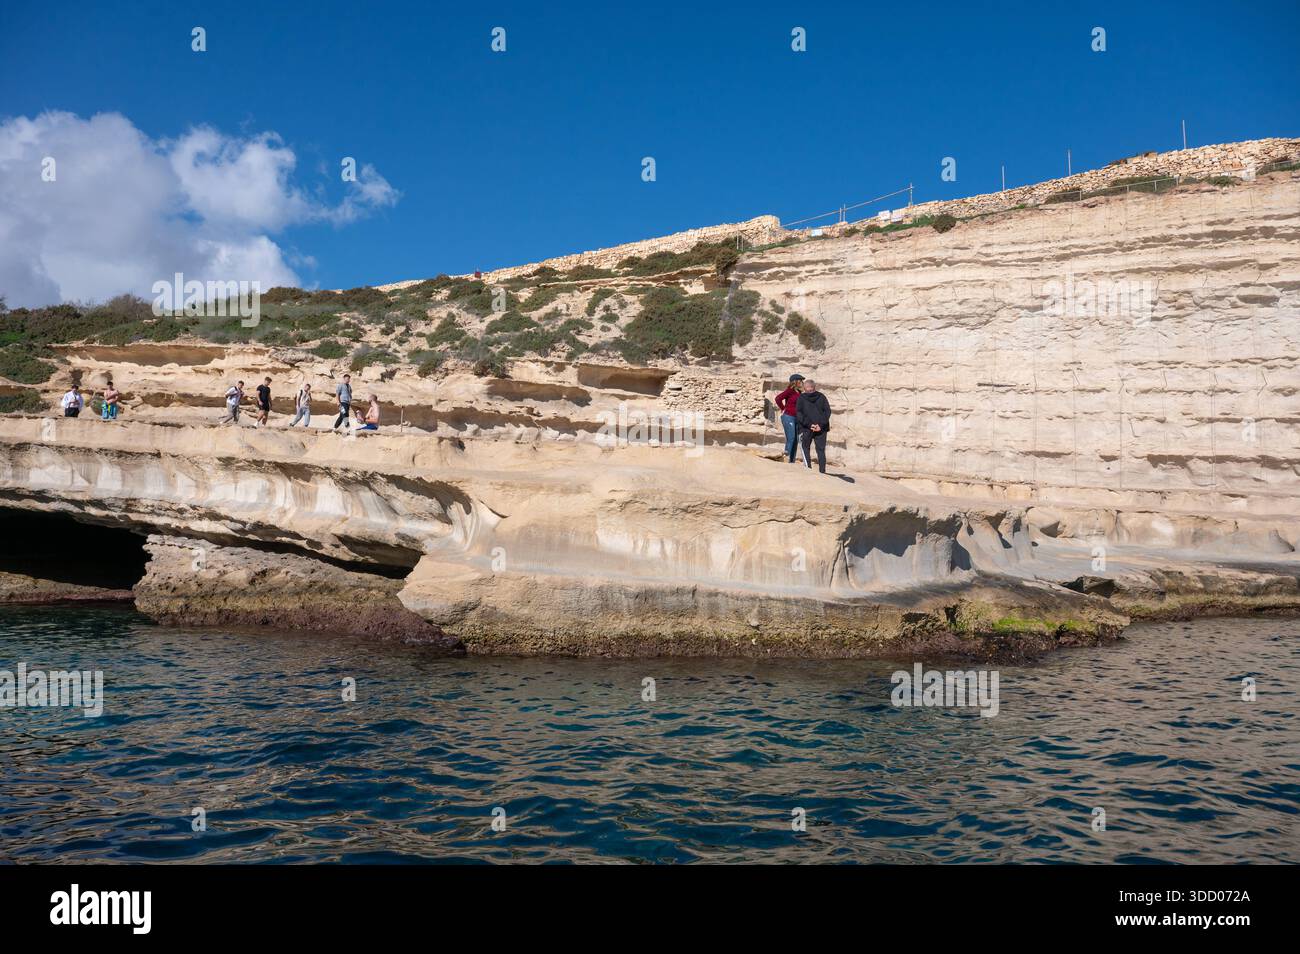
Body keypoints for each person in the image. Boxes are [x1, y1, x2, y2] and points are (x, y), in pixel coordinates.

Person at [796, 379, 832, 474]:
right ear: (814, 387)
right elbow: (827, 412)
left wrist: (809, 424)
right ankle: (822, 472)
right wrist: (820, 425)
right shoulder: (822, 397)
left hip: (807, 428)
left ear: (804, 388)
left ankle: (808, 470)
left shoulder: (801, 398)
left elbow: (799, 413)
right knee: (820, 450)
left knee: (805, 447)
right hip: (821, 428)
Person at [774, 373, 804, 463]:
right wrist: (783, 409)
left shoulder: (799, 392)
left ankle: (791, 461)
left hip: (796, 418)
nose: (802, 382)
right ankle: (786, 459)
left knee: (796, 439)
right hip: (788, 417)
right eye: (800, 380)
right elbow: (778, 398)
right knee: (791, 438)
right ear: (795, 381)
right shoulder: (789, 390)